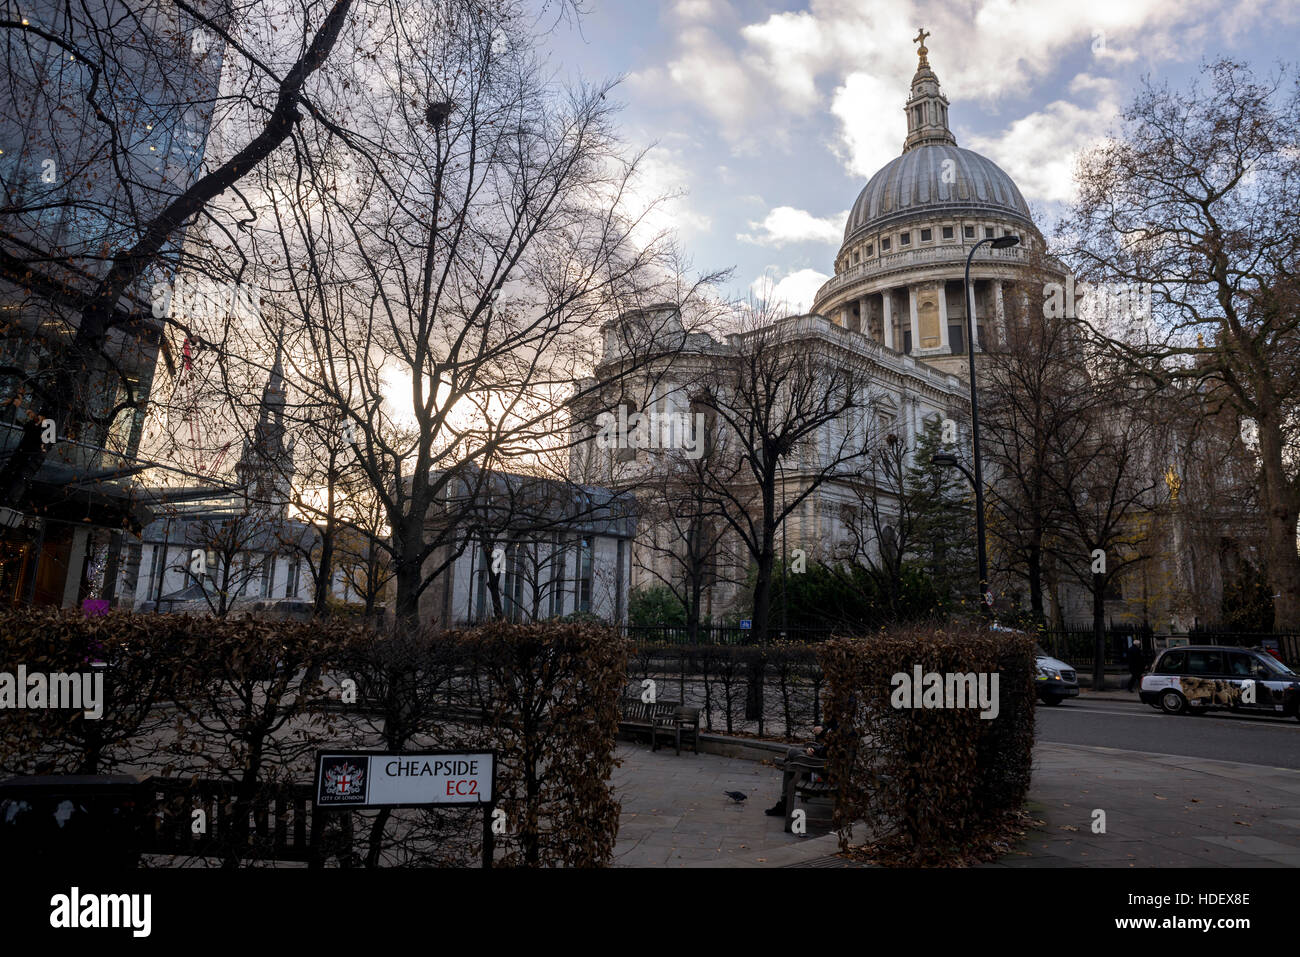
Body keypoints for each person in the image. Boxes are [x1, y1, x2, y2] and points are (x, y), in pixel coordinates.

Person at [765, 719, 836, 817]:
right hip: (823, 766)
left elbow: (827, 751)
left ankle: (784, 803)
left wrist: (816, 746)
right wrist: (815, 749)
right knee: (790, 763)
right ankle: (784, 803)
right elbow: (827, 749)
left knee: (791, 754)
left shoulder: (839, 730)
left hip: (820, 771)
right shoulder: (843, 727)